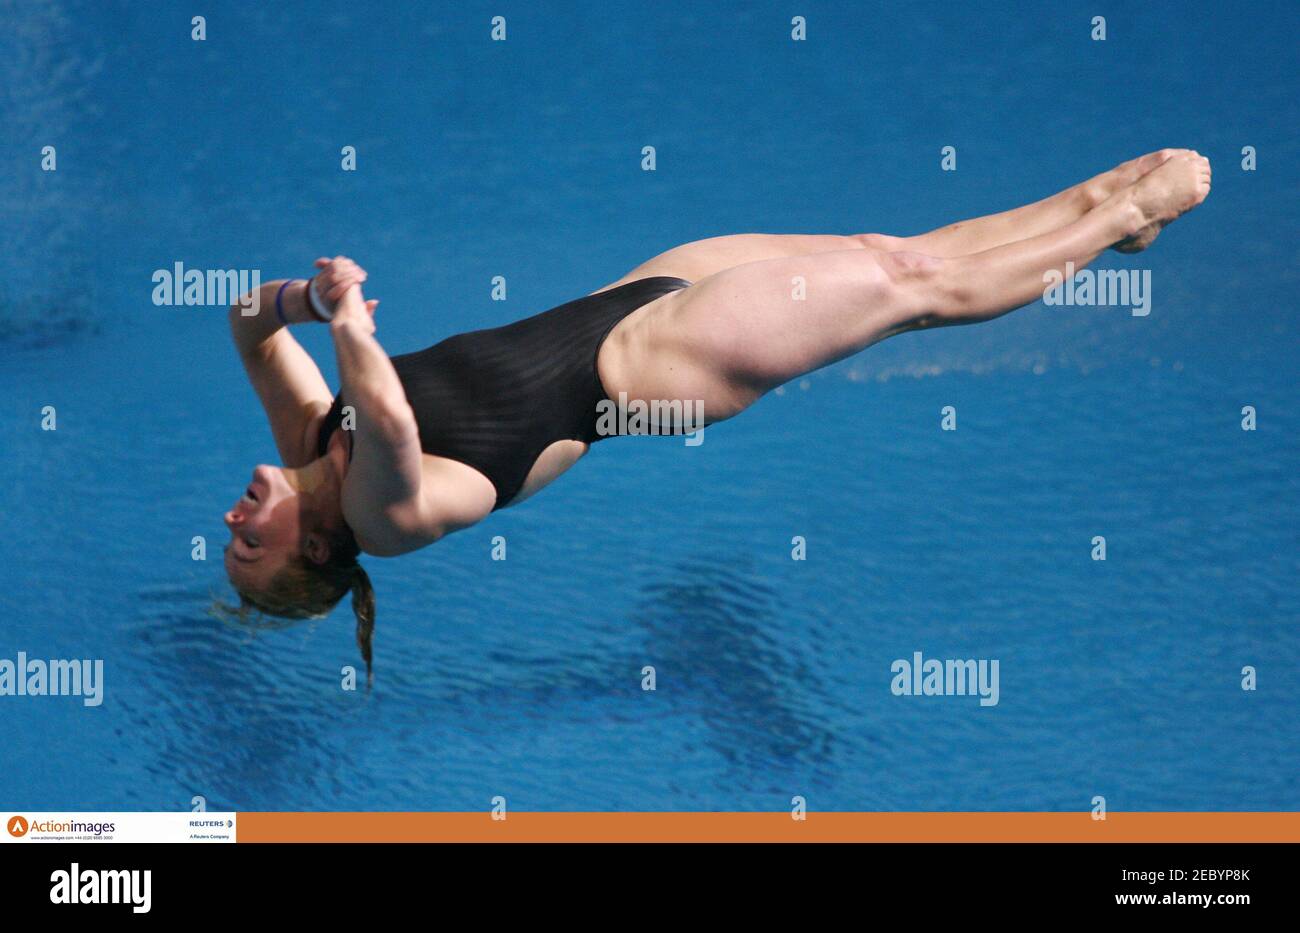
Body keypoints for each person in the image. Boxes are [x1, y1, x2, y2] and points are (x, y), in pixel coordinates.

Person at [223, 150, 1211, 678]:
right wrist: (350, 324)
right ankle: (1119, 221)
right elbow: (393, 424)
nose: (233, 521)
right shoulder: (381, 524)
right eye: (246, 547)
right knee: (916, 291)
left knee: (892, 249)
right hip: (663, 374)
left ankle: (1090, 202)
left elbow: (245, 327)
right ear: (311, 552)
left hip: (631, 293)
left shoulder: (308, 442)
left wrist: (302, 307)